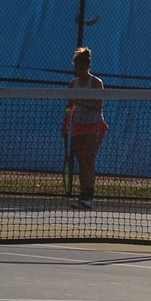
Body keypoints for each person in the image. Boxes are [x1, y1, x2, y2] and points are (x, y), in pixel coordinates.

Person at [63, 46, 108, 210]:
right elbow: (69, 107)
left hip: (95, 126)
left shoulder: (96, 83)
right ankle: (83, 196)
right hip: (78, 127)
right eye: (77, 67)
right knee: (82, 162)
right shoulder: (72, 84)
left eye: (82, 67)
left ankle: (89, 196)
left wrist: (80, 101)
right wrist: (65, 125)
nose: (79, 70)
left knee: (89, 160)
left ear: (88, 66)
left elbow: (97, 106)